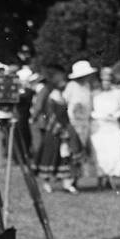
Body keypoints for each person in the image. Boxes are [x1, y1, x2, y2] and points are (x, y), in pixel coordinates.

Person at [31, 65, 80, 194]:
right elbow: (39, 107)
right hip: (51, 128)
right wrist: (38, 119)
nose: (62, 78)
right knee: (49, 155)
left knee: (65, 155)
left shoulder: (62, 91)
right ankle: (46, 182)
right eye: (60, 75)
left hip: (64, 127)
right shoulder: (46, 90)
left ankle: (67, 182)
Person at [90, 66, 120, 190]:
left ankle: (111, 180)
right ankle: (100, 180)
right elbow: (90, 110)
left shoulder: (117, 93)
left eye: (108, 79)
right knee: (100, 153)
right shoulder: (94, 94)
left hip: (112, 127)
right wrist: (100, 116)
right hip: (98, 127)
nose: (106, 82)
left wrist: (114, 116)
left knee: (113, 153)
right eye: (103, 79)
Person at [65, 59, 97, 187]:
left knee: (81, 151)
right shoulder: (71, 86)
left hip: (85, 123)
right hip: (73, 122)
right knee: (72, 151)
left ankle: (75, 179)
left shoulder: (87, 87)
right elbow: (66, 103)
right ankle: (69, 180)